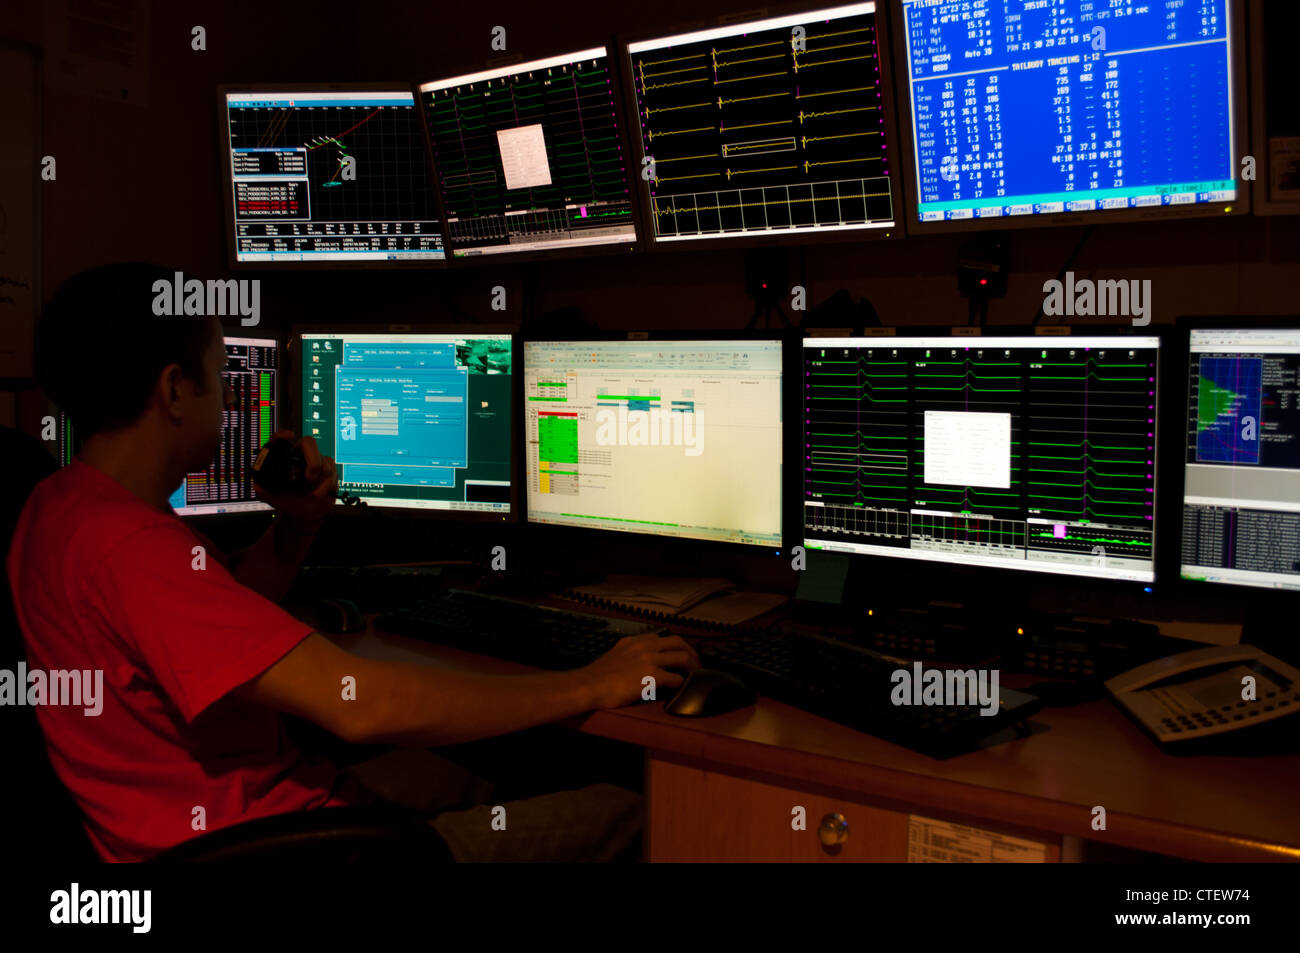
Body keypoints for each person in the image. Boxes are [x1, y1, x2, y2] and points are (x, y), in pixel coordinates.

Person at [6, 263, 699, 862]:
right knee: (635, 810)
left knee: (477, 778)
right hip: (275, 859)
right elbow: (363, 706)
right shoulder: (133, 548)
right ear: (174, 389)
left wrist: (297, 523)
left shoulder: (59, 505)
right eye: (220, 374)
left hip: (212, 826)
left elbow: (214, 636)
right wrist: (593, 681)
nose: (226, 399)